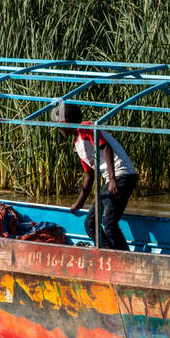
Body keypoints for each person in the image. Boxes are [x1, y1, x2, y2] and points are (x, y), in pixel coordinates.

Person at [55, 101, 138, 250]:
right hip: (111, 178)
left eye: (58, 122)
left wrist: (112, 180)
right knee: (90, 223)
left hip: (122, 174)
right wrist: (80, 202)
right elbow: (89, 176)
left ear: (65, 122)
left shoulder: (86, 127)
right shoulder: (78, 144)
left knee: (109, 223)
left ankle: (127, 258)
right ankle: (107, 253)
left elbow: (105, 147)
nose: (57, 126)